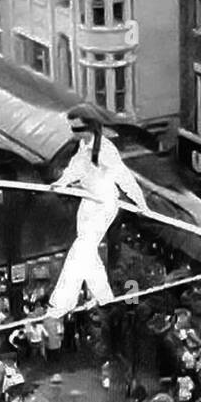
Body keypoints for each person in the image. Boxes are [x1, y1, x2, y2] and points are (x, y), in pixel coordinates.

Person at [46, 118, 149, 315]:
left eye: (78, 129)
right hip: (87, 201)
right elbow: (74, 169)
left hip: (103, 204)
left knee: (82, 248)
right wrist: (61, 183)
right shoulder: (82, 147)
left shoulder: (105, 150)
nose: (75, 133)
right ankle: (105, 297)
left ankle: (61, 303)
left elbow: (124, 177)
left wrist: (140, 203)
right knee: (88, 251)